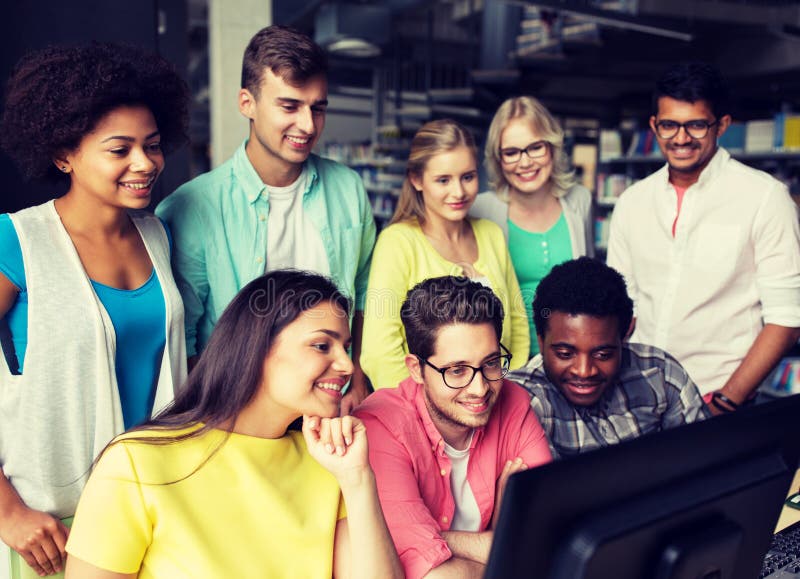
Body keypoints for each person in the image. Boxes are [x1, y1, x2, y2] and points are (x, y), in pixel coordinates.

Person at [64, 270, 403, 579]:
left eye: (346, 347)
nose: (346, 365)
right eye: (321, 345)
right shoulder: (136, 463)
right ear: (258, 347)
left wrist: (358, 480)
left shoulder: (329, 465)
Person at [0, 44, 188, 578]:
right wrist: (7, 511)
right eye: (119, 149)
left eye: (152, 146)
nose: (145, 164)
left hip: (143, 509)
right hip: (48, 527)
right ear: (64, 154)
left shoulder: (157, 235)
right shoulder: (17, 242)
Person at [156, 24, 375, 412]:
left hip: (333, 408)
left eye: (318, 107)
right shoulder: (191, 207)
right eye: (289, 106)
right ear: (247, 103)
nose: (307, 126)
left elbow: (364, 291)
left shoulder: (348, 189)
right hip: (239, 413)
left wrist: (356, 372)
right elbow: (183, 337)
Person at [606, 62, 800, 414]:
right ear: (654, 126)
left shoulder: (765, 198)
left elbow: (787, 320)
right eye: (669, 125)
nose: (681, 138)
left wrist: (725, 402)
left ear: (721, 125)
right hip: (635, 398)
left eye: (696, 124)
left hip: (718, 401)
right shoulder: (632, 202)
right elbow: (621, 308)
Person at [355, 276, 551, 578]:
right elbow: (435, 575)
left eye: (491, 362)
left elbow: (545, 540)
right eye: (457, 371)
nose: (480, 388)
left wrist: (435, 536)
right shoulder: (381, 427)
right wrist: (502, 533)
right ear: (416, 369)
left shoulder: (513, 402)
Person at [361, 119, 530, 390]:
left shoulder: (491, 234)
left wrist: (503, 394)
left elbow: (518, 327)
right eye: (443, 180)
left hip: (493, 398)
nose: (459, 192)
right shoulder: (398, 242)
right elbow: (379, 353)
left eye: (468, 177)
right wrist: (426, 416)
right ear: (416, 179)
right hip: (423, 416)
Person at [508, 258, 709, 460]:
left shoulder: (661, 374)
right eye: (565, 354)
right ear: (541, 342)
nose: (584, 371)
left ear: (624, 338)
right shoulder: (522, 402)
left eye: (603, 355)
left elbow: (704, 461)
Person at [470, 96, 594, 358]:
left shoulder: (580, 201)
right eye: (512, 152)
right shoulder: (480, 210)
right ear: (498, 159)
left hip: (572, 360)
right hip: (508, 361)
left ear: (552, 147)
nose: (525, 162)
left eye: (535, 147)